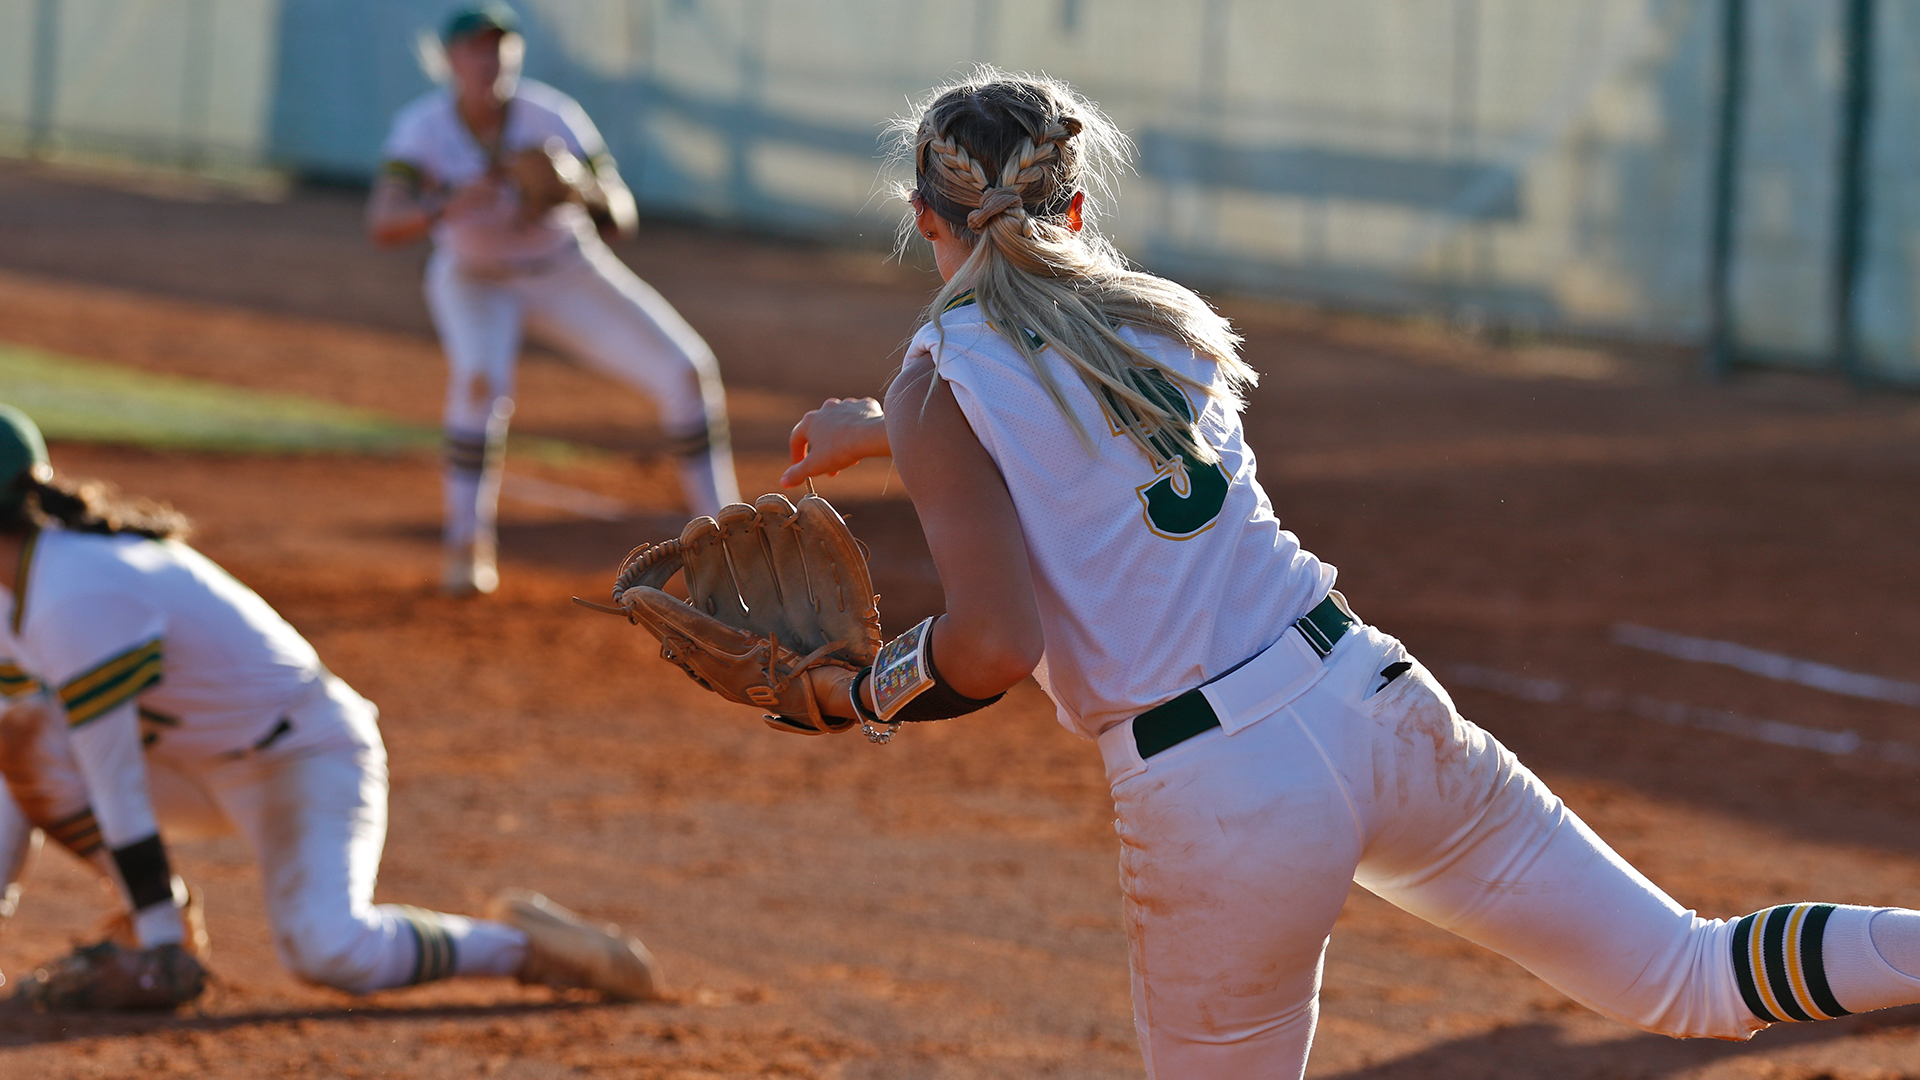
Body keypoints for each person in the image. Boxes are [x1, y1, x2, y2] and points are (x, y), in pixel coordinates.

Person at [776, 69, 1920, 1078]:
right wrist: (888, 429)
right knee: (1694, 975)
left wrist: (862, 690)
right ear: (1074, 209)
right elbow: (1074, 434)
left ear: (923, 220)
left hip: (1220, 798)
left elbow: (992, 646)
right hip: (1367, 698)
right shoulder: (1156, 322)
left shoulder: (943, 381)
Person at [0, 404, 660, 1008]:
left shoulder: (74, 591)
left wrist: (159, 937)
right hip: (191, 766)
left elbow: (114, 782)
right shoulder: (16, 597)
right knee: (21, 740)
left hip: (303, 756)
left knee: (329, 948)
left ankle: (521, 947)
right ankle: (159, 920)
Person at [367, 2, 738, 596]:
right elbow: (383, 222)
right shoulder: (425, 126)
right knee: (479, 381)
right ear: (449, 59)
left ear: (514, 53)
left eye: (499, 45)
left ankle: (727, 541)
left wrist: (576, 188)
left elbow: (620, 218)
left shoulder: (551, 114)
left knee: (687, 371)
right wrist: (451, 201)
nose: (488, 59)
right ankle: (466, 547)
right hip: (473, 277)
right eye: (474, 47)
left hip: (566, 270)